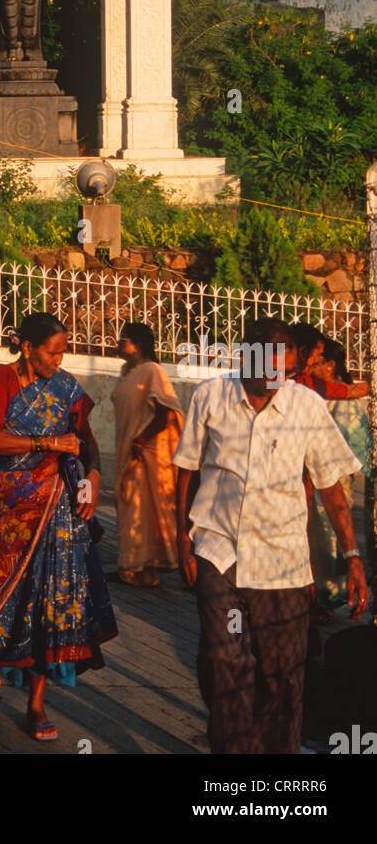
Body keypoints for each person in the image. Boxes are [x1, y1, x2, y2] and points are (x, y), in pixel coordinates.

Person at [174, 316, 368, 755]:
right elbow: (186, 470)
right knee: (224, 664)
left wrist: (353, 556)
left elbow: (330, 487)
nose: (279, 377)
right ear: (247, 358)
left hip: (283, 566)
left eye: (287, 367)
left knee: (281, 678)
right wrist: (183, 540)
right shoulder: (210, 397)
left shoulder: (307, 407)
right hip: (219, 554)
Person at [0, 312, 117, 742]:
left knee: (49, 601)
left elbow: (86, 437)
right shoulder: (2, 378)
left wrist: (94, 476)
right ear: (28, 347)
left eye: (63, 352)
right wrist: (47, 443)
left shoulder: (65, 389)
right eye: (52, 352)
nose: (59, 361)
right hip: (5, 509)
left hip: (55, 509)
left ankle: (37, 702)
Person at [112, 321, 184, 587]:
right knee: (129, 505)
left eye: (124, 339)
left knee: (139, 508)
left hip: (145, 452)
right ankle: (142, 570)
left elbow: (166, 412)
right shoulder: (126, 372)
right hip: (126, 447)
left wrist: (142, 439)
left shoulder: (152, 371)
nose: (119, 343)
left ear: (137, 344)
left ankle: (133, 567)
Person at [307, 337, 372, 612]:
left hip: (334, 480)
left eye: (317, 363)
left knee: (329, 537)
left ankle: (329, 597)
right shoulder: (313, 395)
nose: (310, 369)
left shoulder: (345, 399)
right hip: (312, 479)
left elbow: (353, 447)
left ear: (331, 366)